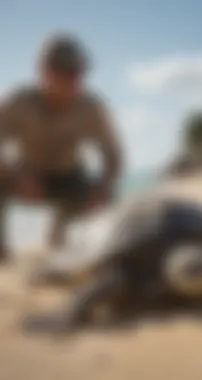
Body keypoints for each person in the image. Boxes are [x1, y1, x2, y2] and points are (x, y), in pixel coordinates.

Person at [0, 33, 123, 263]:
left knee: (106, 199)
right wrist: (17, 176)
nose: (73, 80)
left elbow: (113, 154)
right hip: (27, 174)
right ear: (44, 71)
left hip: (69, 177)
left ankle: (65, 236)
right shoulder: (18, 102)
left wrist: (104, 185)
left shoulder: (91, 107)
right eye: (65, 72)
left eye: (78, 73)